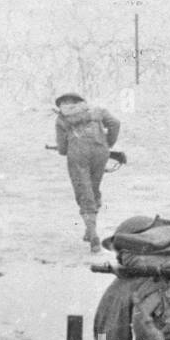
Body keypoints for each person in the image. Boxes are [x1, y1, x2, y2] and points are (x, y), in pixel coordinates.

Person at [53, 92, 121, 251]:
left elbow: (62, 149)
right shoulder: (97, 110)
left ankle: (92, 233)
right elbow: (115, 123)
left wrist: (66, 147)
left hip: (77, 155)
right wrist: (107, 143)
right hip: (100, 152)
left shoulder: (62, 119)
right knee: (94, 188)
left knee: (83, 191)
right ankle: (89, 228)